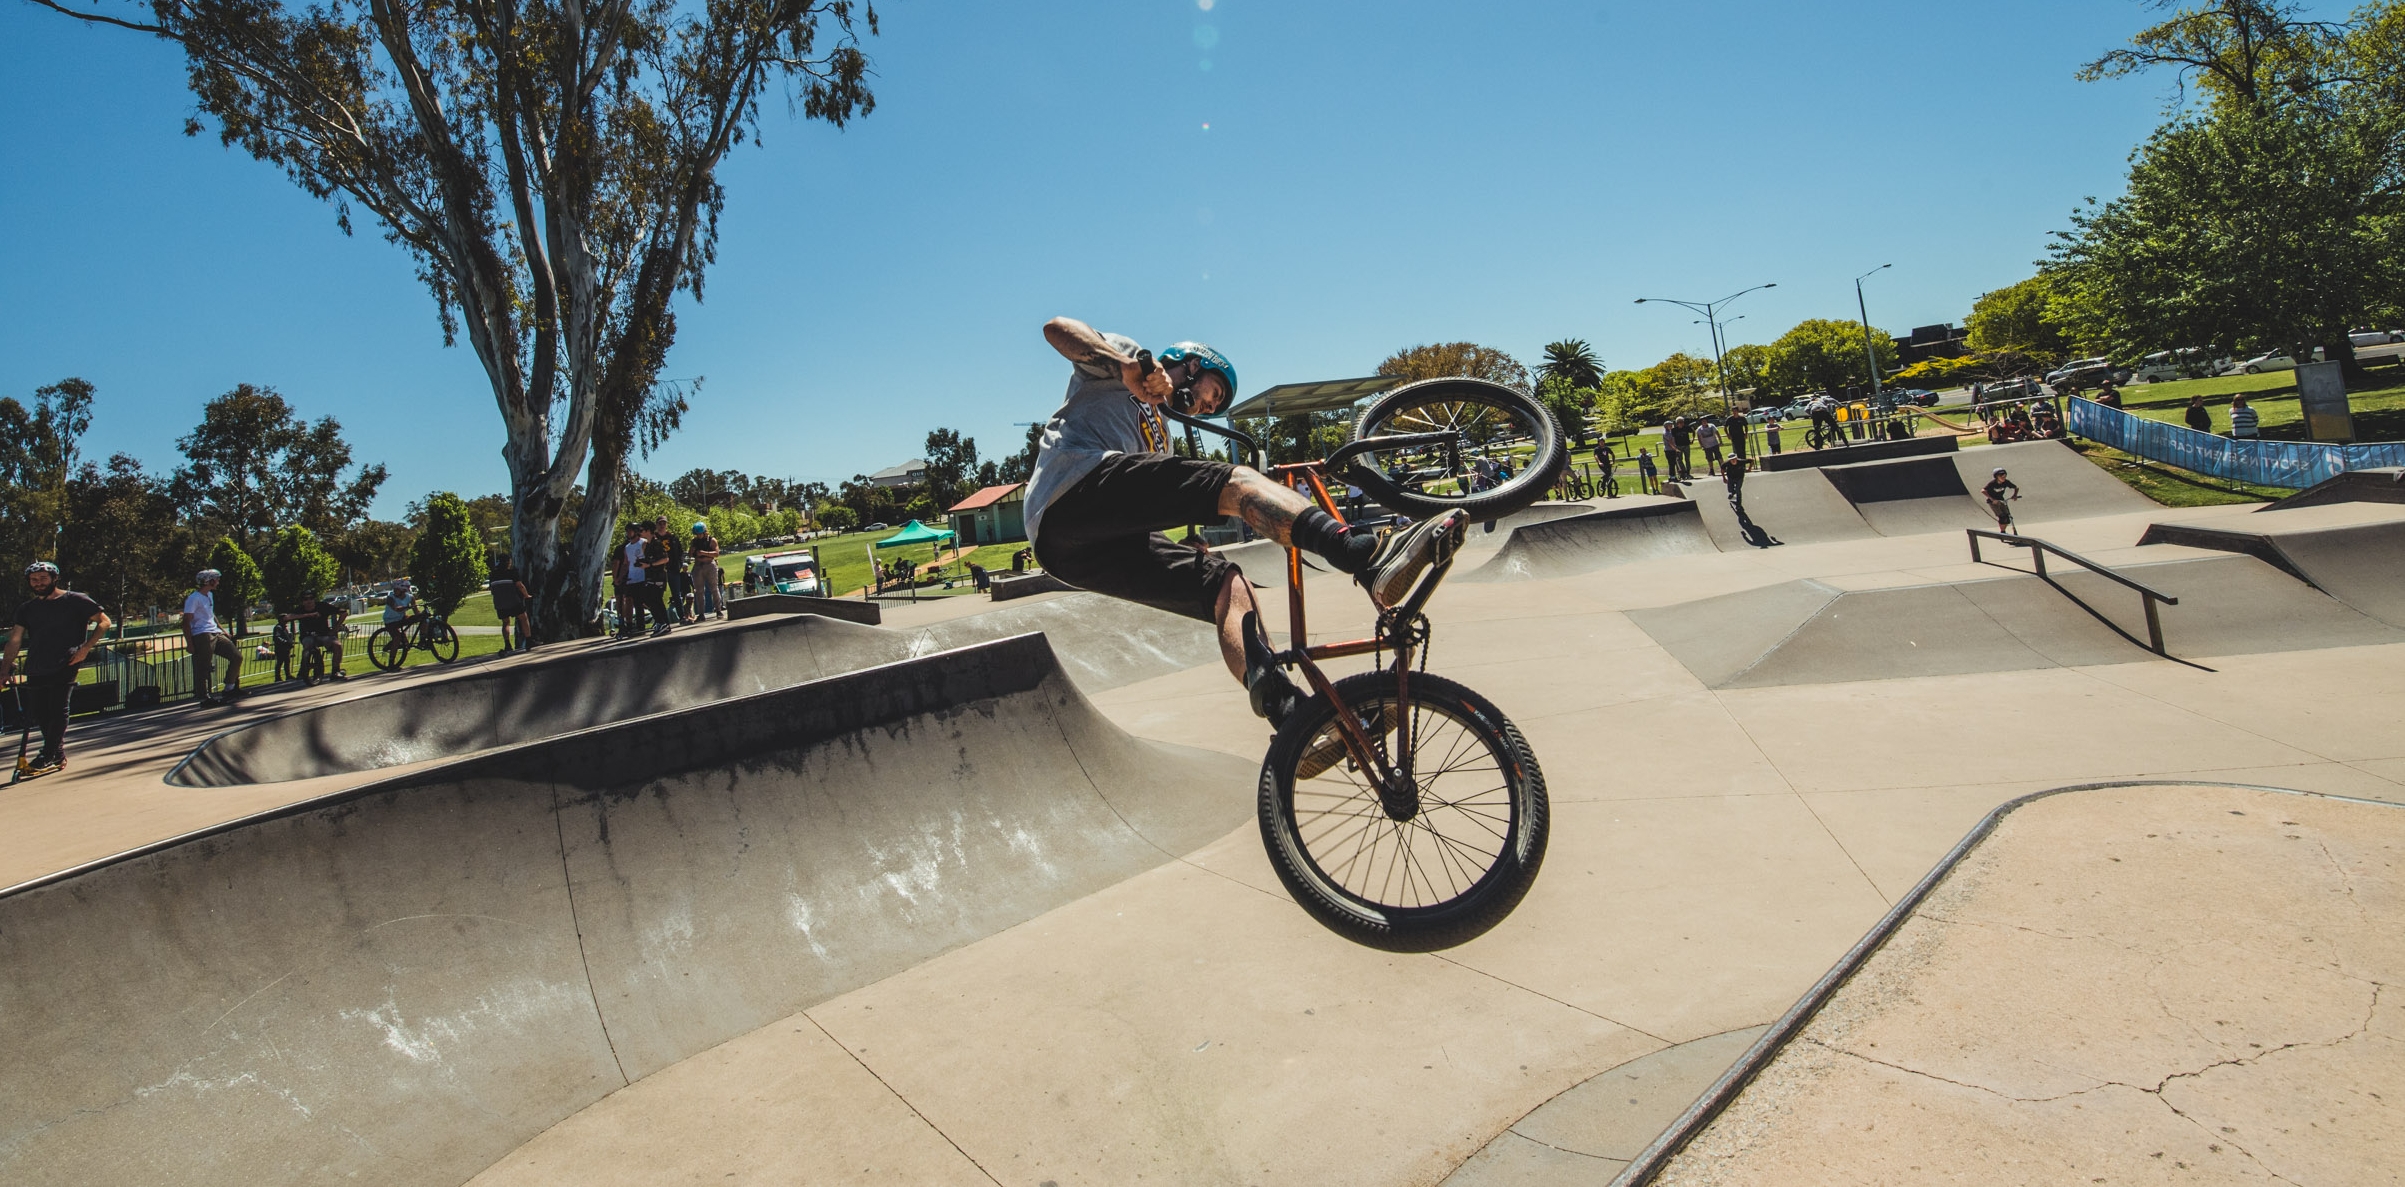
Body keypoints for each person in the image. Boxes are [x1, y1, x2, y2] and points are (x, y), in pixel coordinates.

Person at [1023, 316, 1465, 729]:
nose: (1205, 405)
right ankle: (1359, 554)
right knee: (1236, 482)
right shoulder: (1129, 356)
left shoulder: (1165, 436)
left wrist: (1178, 547)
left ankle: (1292, 717)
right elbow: (1056, 329)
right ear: (1191, 366)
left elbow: (1135, 500)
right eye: (1211, 392)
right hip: (1069, 487)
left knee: (1225, 583)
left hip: (1075, 552)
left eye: (1212, 406)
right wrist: (1124, 365)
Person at [2, 561, 110, 777]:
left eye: (43, 578)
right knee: (41, 712)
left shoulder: (75, 600)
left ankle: (47, 754)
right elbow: (14, 640)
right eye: (34, 580)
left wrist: (85, 649)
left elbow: (104, 622)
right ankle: (57, 754)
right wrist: (4, 670)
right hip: (36, 665)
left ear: (54, 578)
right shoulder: (27, 609)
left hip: (66, 661)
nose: (39, 583)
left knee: (58, 708)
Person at [183, 569, 243, 706]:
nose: (218, 582)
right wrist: (190, 643)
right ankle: (204, 698)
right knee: (203, 666)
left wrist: (223, 631)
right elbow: (186, 622)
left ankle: (229, 688)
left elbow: (211, 615)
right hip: (201, 634)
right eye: (216, 579)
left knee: (236, 656)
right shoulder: (193, 598)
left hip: (215, 632)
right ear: (208, 581)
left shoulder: (209, 595)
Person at [277, 590, 348, 679]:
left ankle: (336, 670)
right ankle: (304, 670)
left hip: (323, 635)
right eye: (306, 599)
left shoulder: (322, 606)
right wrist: (308, 615)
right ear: (302, 601)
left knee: (337, 645)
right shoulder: (300, 609)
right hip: (307, 636)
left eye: (311, 598)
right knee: (308, 644)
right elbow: (286, 617)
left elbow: (344, 613)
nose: (309, 601)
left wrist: (335, 629)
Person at [488, 565, 533, 652]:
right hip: (513, 601)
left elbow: (491, 588)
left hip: (500, 602)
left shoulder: (493, 574)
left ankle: (507, 644)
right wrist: (526, 595)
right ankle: (528, 641)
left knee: (505, 622)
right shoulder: (512, 572)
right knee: (523, 618)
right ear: (508, 562)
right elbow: (520, 585)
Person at [654, 515, 690, 623]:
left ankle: (682, 616)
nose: (662, 525)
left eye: (664, 523)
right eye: (660, 523)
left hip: (673, 569)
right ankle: (660, 620)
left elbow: (680, 552)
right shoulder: (654, 539)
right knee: (658, 596)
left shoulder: (673, 538)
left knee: (677, 594)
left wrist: (679, 564)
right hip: (659, 571)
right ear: (657, 525)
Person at [689, 522, 724, 619]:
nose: (698, 536)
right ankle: (701, 613)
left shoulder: (712, 540)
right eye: (697, 534)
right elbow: (690, 554)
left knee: (714, 588)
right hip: (698, 566)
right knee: (699, 591)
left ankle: (718, 610)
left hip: (709, 565)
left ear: (705, 532)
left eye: (700, 534)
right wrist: (692, 550)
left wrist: (704, 553)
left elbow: (716, 553)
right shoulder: (694, 541)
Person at [1983, 467, 2022, 534]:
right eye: (2001, 476)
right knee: (2002, 517)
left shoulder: (2006, 482)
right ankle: (2003, 532)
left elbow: (2016, 487)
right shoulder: (1992, 483)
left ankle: (2003, 531)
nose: (2003, 477)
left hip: (2001, 500)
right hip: (1993, 502)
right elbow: (1983, 490)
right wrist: (1992, 499)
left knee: (2007, 517)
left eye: (2004, 475)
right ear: (1996, 476)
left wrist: (2015, 495)